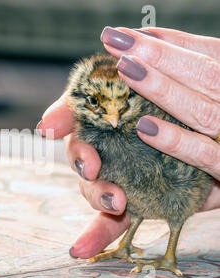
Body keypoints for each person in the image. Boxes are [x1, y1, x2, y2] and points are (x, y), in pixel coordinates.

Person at [37, 27, 220, 259]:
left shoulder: (150, 121)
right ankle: (126, 244)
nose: (113, 116)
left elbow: (189, 177)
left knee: (170, 198)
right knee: (123, 199)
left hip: (177, 191)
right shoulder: (92, 131)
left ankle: (169, 255)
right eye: (96, 102)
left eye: (123, 102)